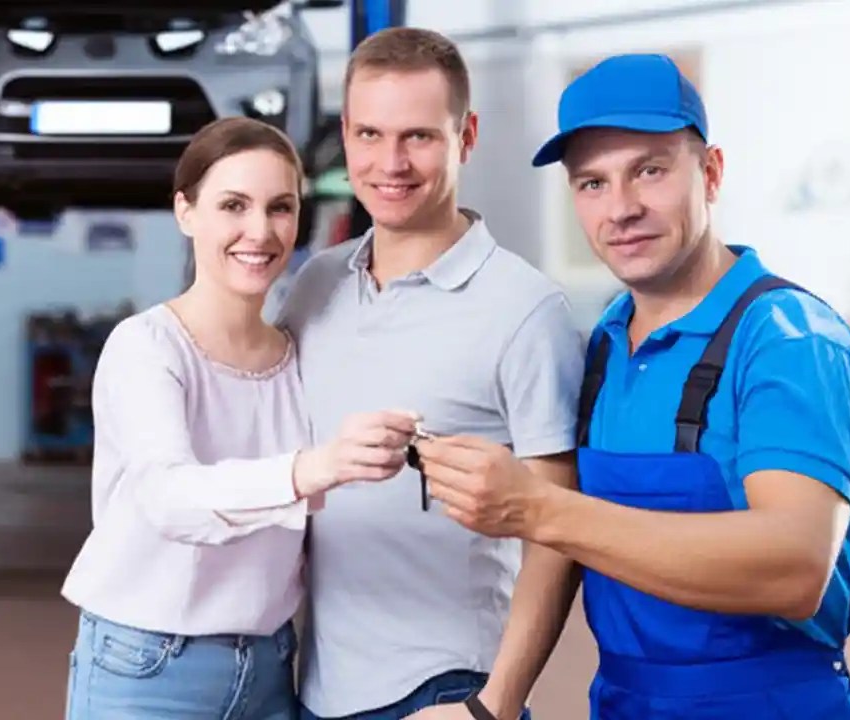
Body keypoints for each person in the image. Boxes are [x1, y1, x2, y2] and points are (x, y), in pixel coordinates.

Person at [416, 53, 850, 718]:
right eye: (592, 183)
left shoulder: (787, 340)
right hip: (626, 699)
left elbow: (794, 567)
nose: (621, 208)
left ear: (711, 173)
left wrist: (539, 510)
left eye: (649, 172)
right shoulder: (606, 342)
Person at [59, 117, 419, 720]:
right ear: (185, 212)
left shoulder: (295, 354)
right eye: (233, 205)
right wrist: (313, 469)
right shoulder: (147, 347)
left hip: (271, 666)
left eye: (280, 207)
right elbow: (168, 497)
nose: (260, 231)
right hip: (148, 668)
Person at [277, 28, 585, 720]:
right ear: (346, 137)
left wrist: (495, 706)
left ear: (465, 136)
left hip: (443, 692)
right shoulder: (316, 286)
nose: (390, 162)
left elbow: (555, 529)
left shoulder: (525, 310)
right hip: (315, 686)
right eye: (369, 134)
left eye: (418, 136)